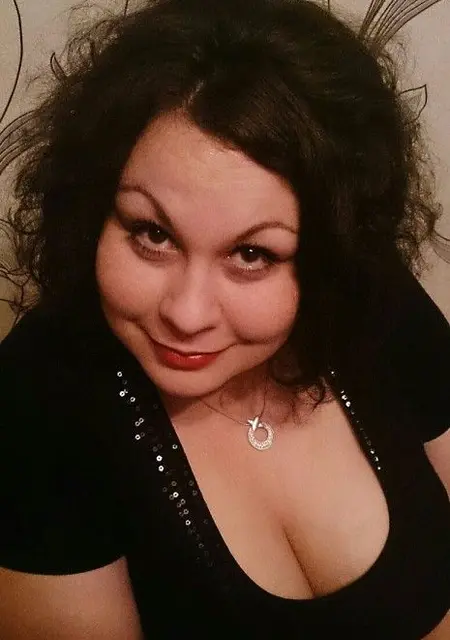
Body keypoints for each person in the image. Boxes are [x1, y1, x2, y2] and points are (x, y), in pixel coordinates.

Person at [0, 0, 449, 637]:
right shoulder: (36, 400)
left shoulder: (372, 300)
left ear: (329, 254)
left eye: (252, 254)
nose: (186, 314)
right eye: (153, 233)